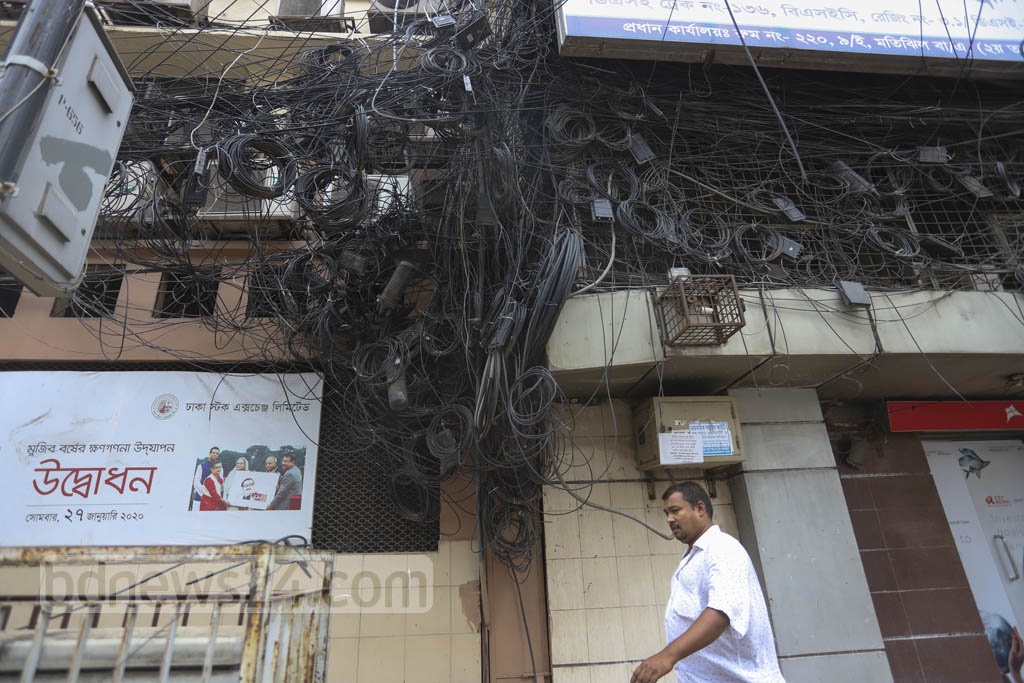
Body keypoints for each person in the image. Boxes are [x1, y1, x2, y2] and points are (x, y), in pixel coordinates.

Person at [631, 482, 785, 683]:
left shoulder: (722, 548)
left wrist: (667, 656)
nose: (669, 519)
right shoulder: (694, 555)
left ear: (700, 508)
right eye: (666, 513)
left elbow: (721, 612)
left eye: (675, 511)